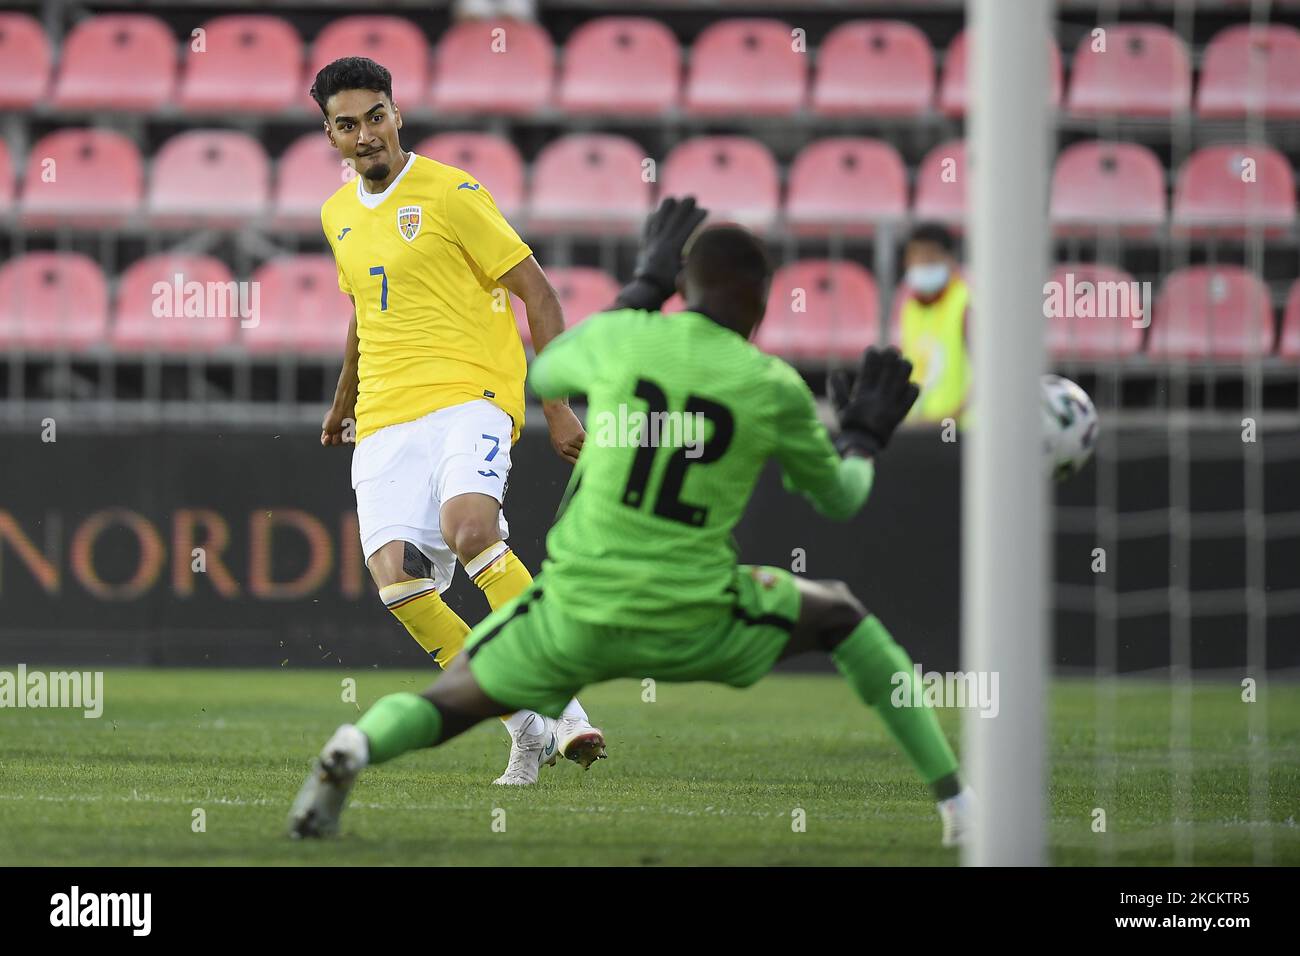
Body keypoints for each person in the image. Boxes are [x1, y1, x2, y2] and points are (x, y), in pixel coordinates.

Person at [289, 196, 973, 847]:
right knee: (843, 617)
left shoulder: (622, 341)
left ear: (682, 284)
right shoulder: (772, 386)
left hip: (577, 609)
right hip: (697, 610)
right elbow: (843, 499)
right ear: (763, 300)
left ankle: (354, 747)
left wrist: (642, 287)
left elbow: (550, 366)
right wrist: (861, 438)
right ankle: (958, 806)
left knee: (450, 702)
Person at [311, 56, 604, 785]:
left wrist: (558, 404)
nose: (365, 134)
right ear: (331, 134)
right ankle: (523, 725)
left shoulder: (451, 192)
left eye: (375, 116)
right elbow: (362, 310)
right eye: (347, 124)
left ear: (396, 113)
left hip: (468, 393)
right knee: (397, 582)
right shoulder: (337, 213)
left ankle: (566, 705)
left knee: (471, 528)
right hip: (384, 413)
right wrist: (345, 398)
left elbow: (537, 292)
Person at [897, 222, 971, 424]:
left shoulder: (967, 304)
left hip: (961, 430)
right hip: (921, 429)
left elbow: (989, 372)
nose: (922, 263)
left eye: (930, 257)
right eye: (916, 257)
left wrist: (956, 415)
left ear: (950, 259)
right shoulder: (909, 308)